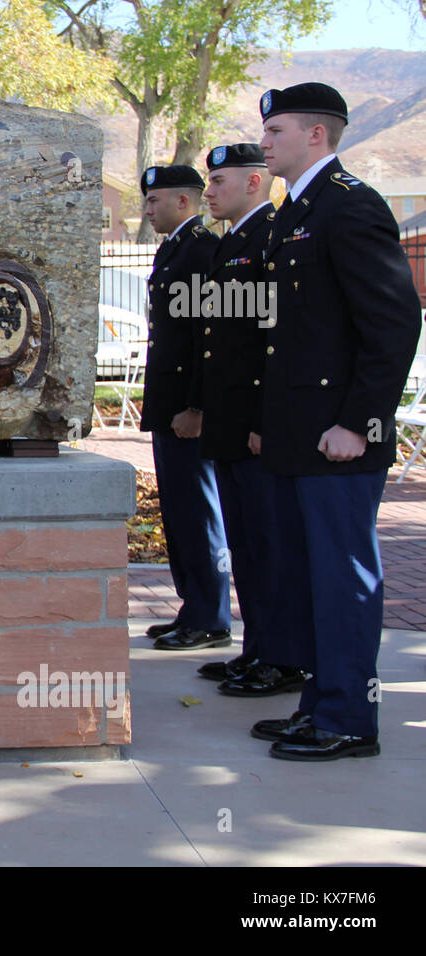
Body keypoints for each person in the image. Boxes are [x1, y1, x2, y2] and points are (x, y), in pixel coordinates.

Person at [251, 82, 420, 761]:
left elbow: (394, 320)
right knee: (310, 578)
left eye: (277, 131)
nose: (264, 142)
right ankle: (320, 705)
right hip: (301, 435)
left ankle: (350, 718)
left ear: (316, 135)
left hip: (339, 440)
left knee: (343, 579)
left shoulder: (350, 207)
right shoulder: (300, 211)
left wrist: (358, 421)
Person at [193, 143, 307, 697]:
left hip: (255, 421)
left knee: (270, 546)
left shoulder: (270, 236)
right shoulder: (234, 240)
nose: (208, 192)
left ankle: (283, 658)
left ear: (255, 183)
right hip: (231, 420)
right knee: (248, 545)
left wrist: (265, 420)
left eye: (218, 181)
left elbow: (272, 342)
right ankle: (258, 648)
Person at [138, 164, 232, 651]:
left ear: (183, 201)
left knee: (198, 512)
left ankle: (211, 615)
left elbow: (204, 342)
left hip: (187, 411)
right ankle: (192, 606)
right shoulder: (176, 248)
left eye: (155, 201)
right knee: (177, 511)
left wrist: (196, 405)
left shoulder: (201, 251)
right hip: (169, 404)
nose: (148, 209)